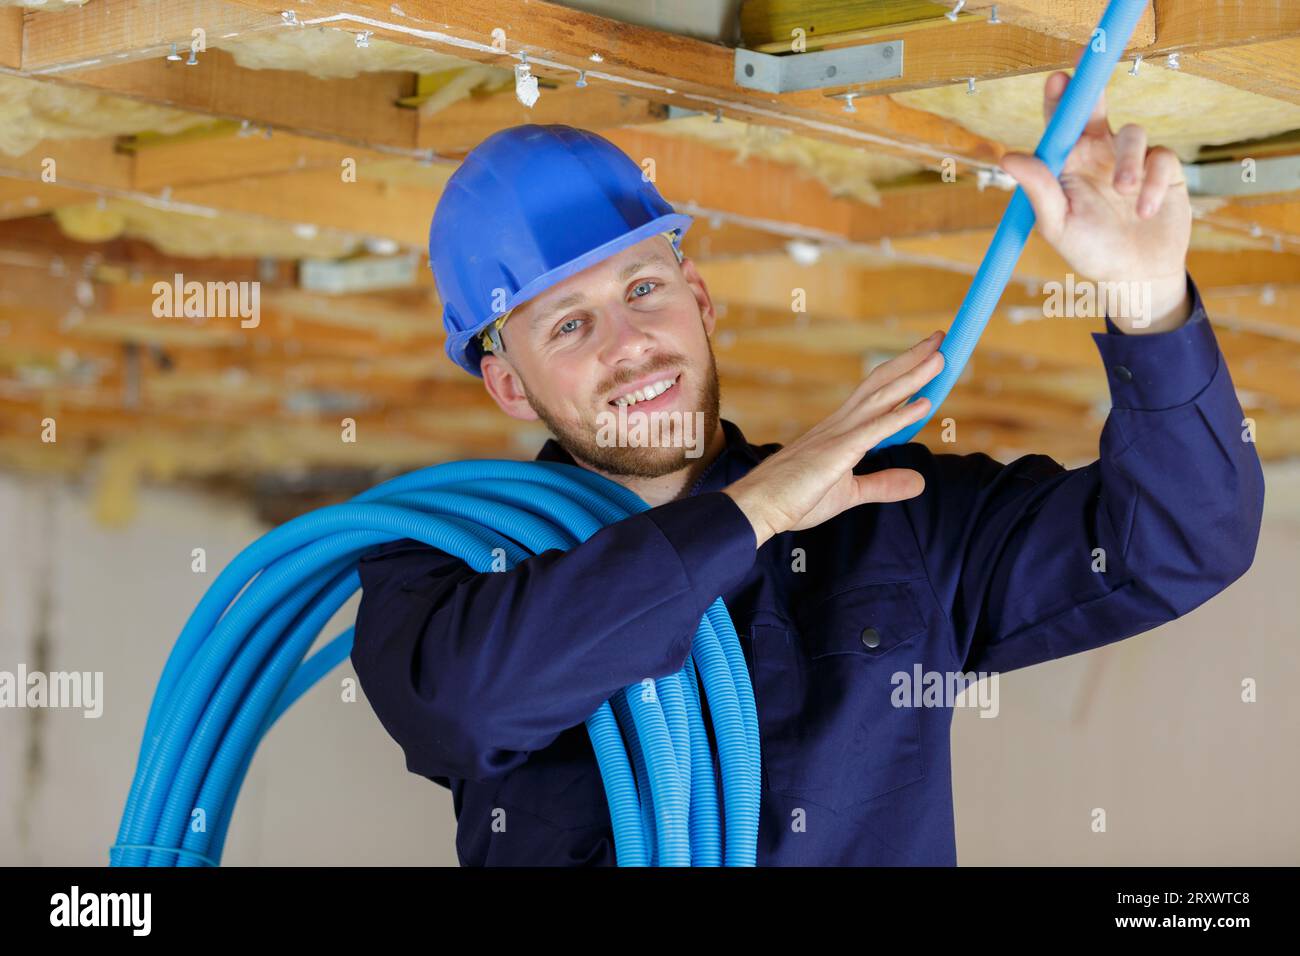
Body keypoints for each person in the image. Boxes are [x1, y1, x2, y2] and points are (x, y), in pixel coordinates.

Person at [350, 72, 1264, 865]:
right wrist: (750, 516)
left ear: (699, 301)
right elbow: (462, 711)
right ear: (512, 387)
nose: (631, 346)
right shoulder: (447, 569)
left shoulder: (893, 517)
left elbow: (1180, 544)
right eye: (570, 324)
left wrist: (1150, 307)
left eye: (642, 290)